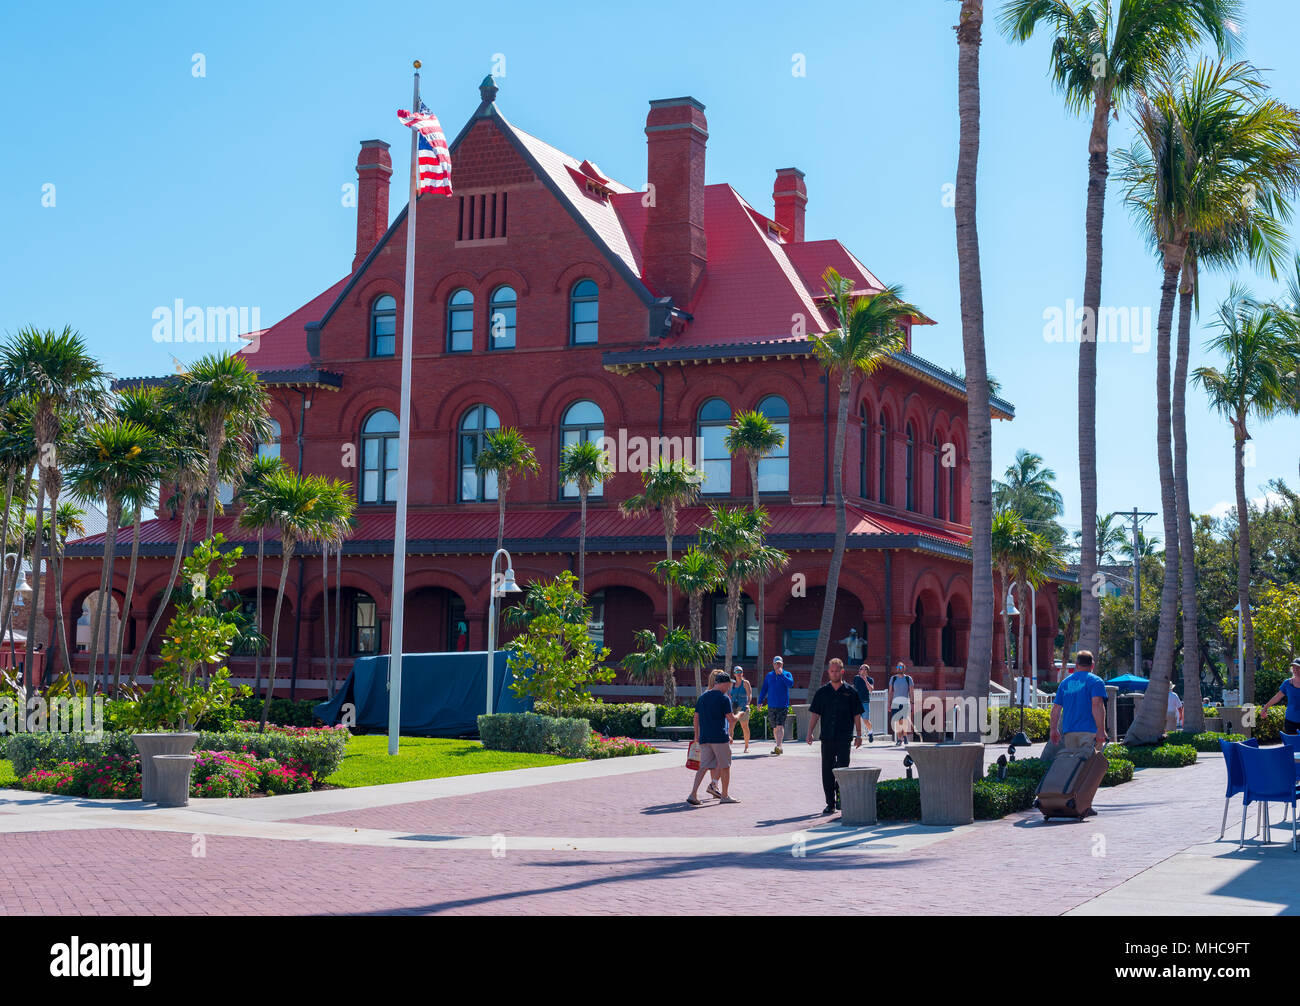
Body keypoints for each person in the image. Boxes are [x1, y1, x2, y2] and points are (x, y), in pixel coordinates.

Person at [806, 658, 865, 814]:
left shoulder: (851, 692)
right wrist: (810, 732)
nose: (834, 673)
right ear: (828, 672)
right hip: (827, 738)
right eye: (831, 671)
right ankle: (830, 803)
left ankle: (841, 796)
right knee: (827, 770)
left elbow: (857, 715)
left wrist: (859, 735)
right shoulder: (822, 692)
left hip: (844, 737)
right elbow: (815, 714)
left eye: (837, 671)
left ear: (842, 672)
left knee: (843, 768)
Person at [688, 670, 740, 806]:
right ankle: (725, 795)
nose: (729, 687)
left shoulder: (703, 697)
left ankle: (693, 794)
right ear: (724, 684)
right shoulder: (724, 698)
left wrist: (697, 735)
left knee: (703, 767)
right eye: (728, 684)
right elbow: (731, 719)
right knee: (725, 766)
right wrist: (740, 715)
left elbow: (696, 717)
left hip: (705, 738)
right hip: (719, 737)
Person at [1049, 649, 1107, 751]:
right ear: (1092, 665)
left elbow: (1056, 709)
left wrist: (1053, 729)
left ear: (1076, 664)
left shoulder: (1064, 683)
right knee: (1091, 765)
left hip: (1069, 732)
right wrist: (1101, 730)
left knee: (1074, 765)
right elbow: (1096, 705)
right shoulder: (1096, 681)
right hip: (1090, 731)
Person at [758, 655, 794, 755]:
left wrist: (782, 675)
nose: (778, 665)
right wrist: (760, 701)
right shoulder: (769, 675)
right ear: (773, 665)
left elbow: (790, 684)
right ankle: (778, 745)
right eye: (776, 663)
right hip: (771, 705)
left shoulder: (787, 674)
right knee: (774, 727)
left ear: (782, 664)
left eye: (779, 663)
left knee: (779, 726)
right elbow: (764, 689)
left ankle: (779, 746)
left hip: (783, 705)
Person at [1260, 659, 1300, 734]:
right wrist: (1265, 708)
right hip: (1290, 722)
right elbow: (1277, 697)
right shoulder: (1287, 683)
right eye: (1294, 668)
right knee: (1291, 744)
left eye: (1298, 668)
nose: (1295, 670)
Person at [887, 662, 915, 745]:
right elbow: (890, 692)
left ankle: (905, 736)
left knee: (903, 720)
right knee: (897, 721)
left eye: (901, 667)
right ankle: (899, 739)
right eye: (898, 667)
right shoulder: (893, 678)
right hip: (895, 703)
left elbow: (911, 692)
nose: (899, 668)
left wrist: (912, 703)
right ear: (896, 668)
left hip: (905, 703)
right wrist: (889, 703)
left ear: (904, 669)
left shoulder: (908, 679)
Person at [729, 665, 753, 753]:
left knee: (744, 726)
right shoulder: (732, 684)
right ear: (734, 674)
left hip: (743, 707)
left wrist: (748, 704)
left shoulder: (745, 683)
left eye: (740, 672)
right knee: (731, 727)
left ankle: (746, 747)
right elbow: (730, 695)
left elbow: (749, 694)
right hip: (733, 707)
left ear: (742, 673)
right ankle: (729, 746)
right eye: (737, 672)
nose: (738, 673)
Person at [851, 663, 875, 743]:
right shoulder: (856, 678)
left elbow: (871, 690)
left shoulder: (870, 679)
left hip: (865, 702)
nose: (862, 670)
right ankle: (854, 735)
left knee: (865, 720)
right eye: (861, 669)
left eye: (864, 669)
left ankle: (870, 732)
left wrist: (865, 680)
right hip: (856, 702)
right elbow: (854, 688)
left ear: (867, 671)